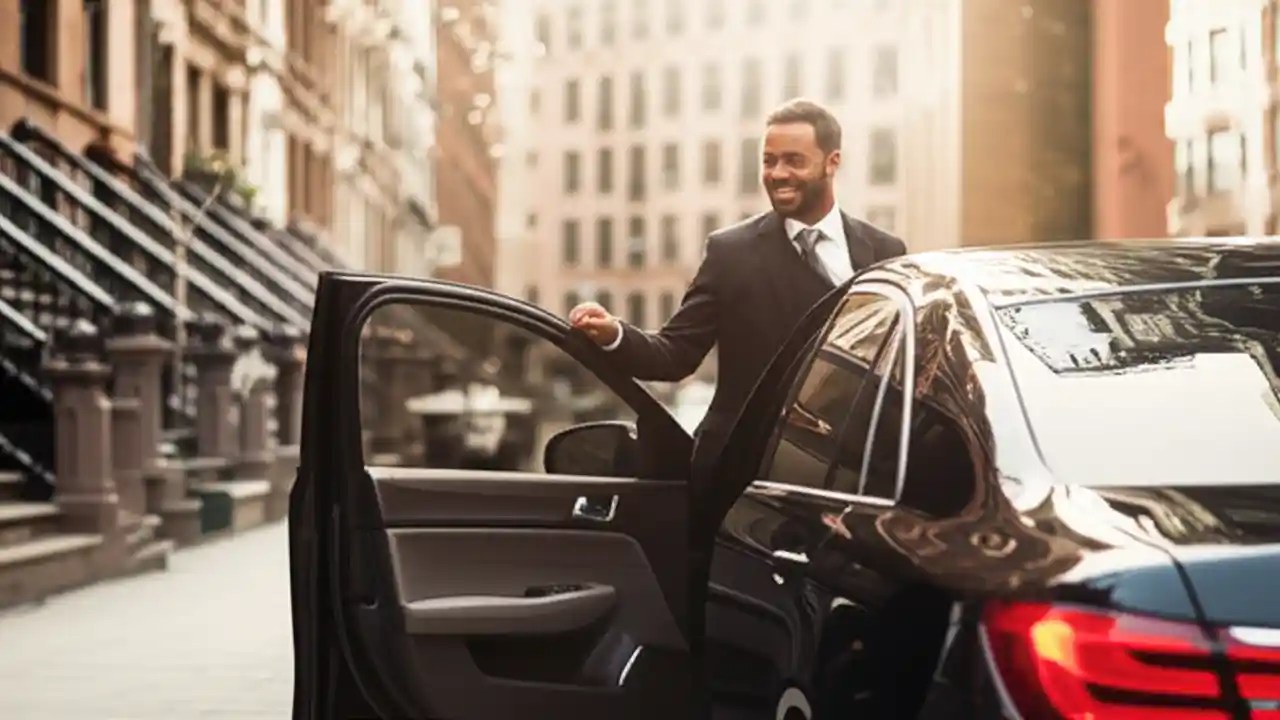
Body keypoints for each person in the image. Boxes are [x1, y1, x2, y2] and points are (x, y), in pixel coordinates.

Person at [569, 98, 906, 478]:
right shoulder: (731, 253)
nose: (777, 173)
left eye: (794, 160)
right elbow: (675, 354)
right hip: (742, 474)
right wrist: (614, 334)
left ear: (832, 162)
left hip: (844, 476)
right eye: (769, 160)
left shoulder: (884, 251)